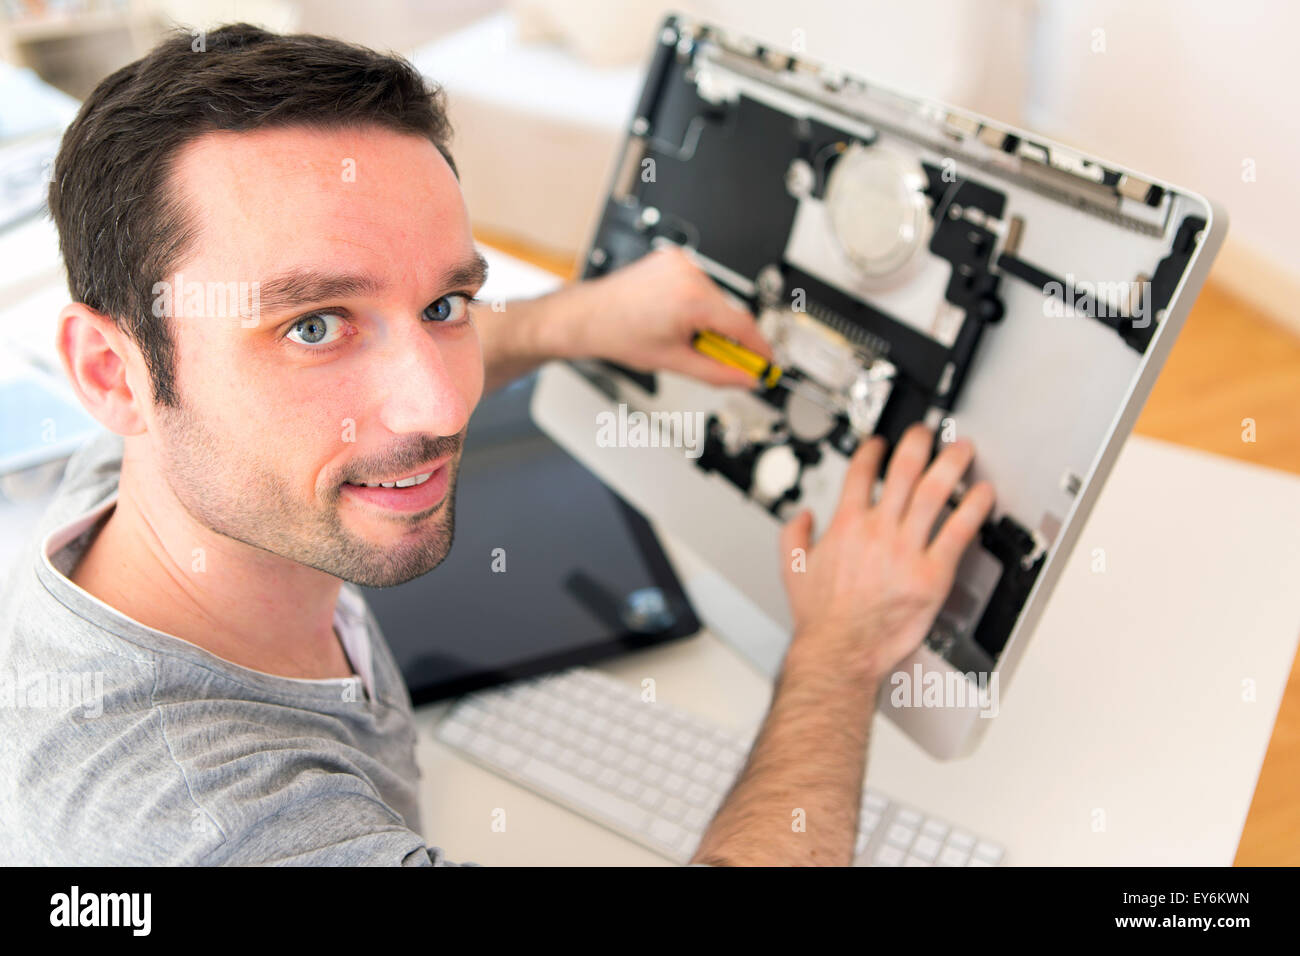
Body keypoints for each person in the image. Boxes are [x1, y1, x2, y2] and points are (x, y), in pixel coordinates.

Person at [0, 23, 994, 865]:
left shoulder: (151, 473)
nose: (436, 406)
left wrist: (573, 320)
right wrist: (843, 649)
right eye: (313, 325)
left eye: (444, 302)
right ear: (110, 373)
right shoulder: (213, 822)